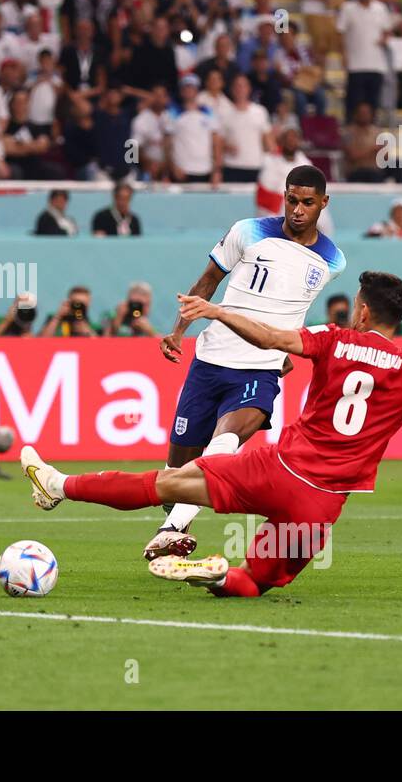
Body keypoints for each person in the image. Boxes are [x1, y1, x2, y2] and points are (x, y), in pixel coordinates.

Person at [19, 271, 402, 597]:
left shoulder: (335, 338)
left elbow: (268, 336)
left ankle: (57, 486)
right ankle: (221, 575)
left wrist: (216, 309)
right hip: (323, 506)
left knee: (164, 483)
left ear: (363, 310)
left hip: (274, 470)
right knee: (259, 583)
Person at [146, 165, 345, 562]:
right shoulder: (247, 231)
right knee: (176, 473)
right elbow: (207, 282)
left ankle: (171, 531)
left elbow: (294, 308)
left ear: (323, 203)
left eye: (307, 202)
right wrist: (178, 330)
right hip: (210, 360)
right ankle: (174, 516)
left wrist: (286, 350)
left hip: (260, 368)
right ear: (283, 197)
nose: (298, 210)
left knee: (226, 442)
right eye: (291, 200)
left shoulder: (332, 260)